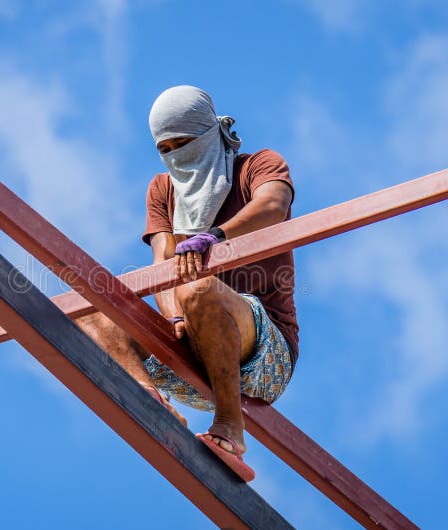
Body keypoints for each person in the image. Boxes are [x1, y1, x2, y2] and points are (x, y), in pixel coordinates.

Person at [78, 85, 299, 482]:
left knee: (199, 287)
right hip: (188, 360)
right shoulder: (163, 190)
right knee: (93, 310)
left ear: (209, 133)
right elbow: (163, 262)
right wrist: (175, 316)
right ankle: (147, 398)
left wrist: (216, 237)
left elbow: (273, 205)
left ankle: (230, 430)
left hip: (261, 357)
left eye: (186, 143)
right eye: (167, 149)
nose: (177, 156)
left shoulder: (257, 167)